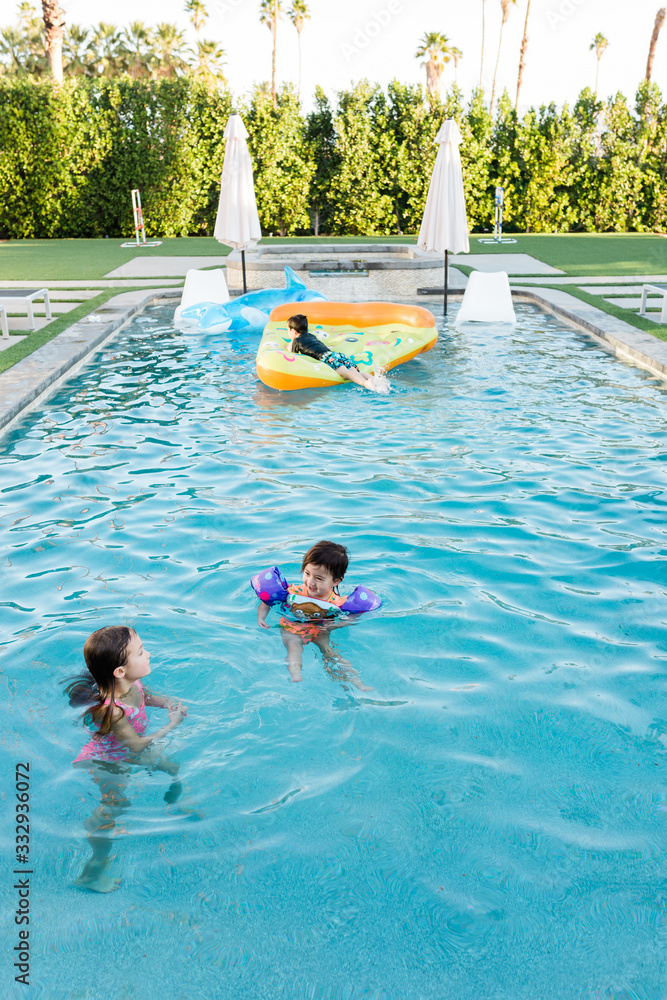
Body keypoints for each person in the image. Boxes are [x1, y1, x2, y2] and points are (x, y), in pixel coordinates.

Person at [66, 626, 187, 892]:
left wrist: (168, 703)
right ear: (119, 672)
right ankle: (92, 869)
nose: (149, 654)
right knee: (116, 805)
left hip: (126, 754)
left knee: (172, 767)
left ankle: (176, 803)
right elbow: (135, 746)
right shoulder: (112, 712)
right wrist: (172, 724)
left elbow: (146, 697)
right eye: (142, 652)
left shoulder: (133, 682)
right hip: (106, 761)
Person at [257, 539, 372, 691]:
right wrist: (261, 617)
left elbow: (351, 617)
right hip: (292, 628)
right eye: (307, 573)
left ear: (336, 581)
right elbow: (268, 600)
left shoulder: (337, 603)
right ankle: (296, 674)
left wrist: (336, 624)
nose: (310, 581)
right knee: (293, 647)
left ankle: (356, 682)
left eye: (318, 578)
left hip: (319, 631)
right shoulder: (293, 592)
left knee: (330, 653)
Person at [288, 313, 380, 391]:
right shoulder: (311, 336)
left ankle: (365, 383)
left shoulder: (296, 341)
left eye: (288, 330)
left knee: (346, 374)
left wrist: (289, 348)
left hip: (327, 358)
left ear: (293, 331)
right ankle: (374, 380)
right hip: (336, 355)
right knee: (355, 373)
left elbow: (294, 357)